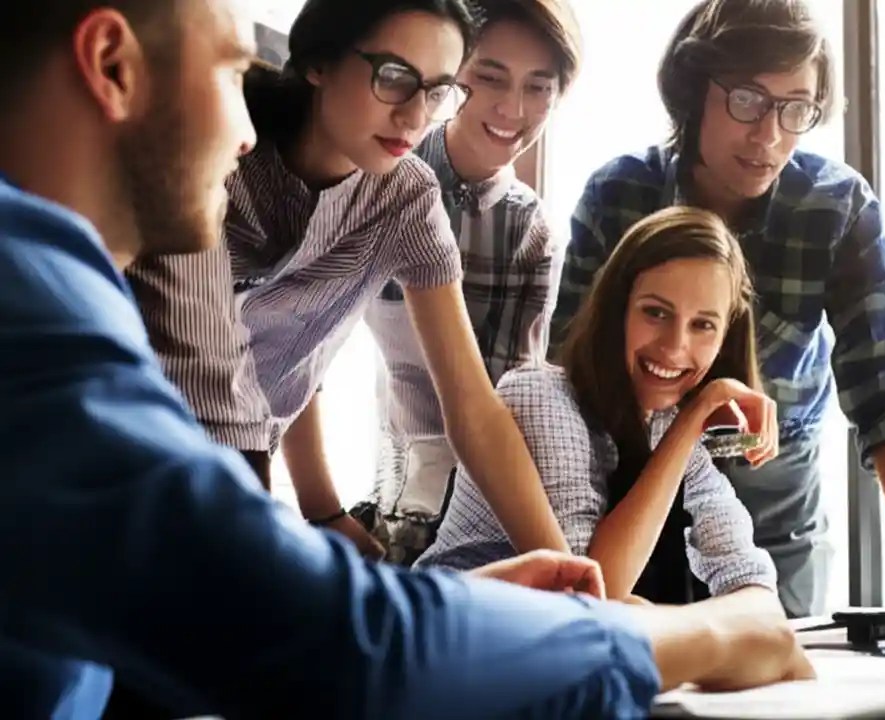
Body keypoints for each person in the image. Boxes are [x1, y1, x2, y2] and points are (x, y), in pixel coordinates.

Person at [0, 0, 815, 717]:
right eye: (229, 72)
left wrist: (439, 605)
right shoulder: (31, 304)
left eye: (440, 88)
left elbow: (458, 414)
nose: (245, 127)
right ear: (112, 67)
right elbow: (327, 644)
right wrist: (710, 633)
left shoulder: (409, 203)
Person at [552, 0, 885, 633]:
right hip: (629, 497)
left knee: (777, 672)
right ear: (696, 91)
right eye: (748, 100)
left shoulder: (834, 207)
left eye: (796, 108)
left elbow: (882, 399)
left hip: (772, 509)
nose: (769, 135)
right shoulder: (620, 194)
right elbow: (567, 370)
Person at [123, 0, 570, 560]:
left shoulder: (405, 197)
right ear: (319, 62)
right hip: (133, 456)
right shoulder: (219, 162)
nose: (414, 117)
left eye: (435, 92)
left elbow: (474, 409)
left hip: (236, 481)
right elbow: (219, 408)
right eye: (393, 78)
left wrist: (572, 576)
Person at [289, 0, 583, 565]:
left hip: (474, 489)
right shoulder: (375, 165)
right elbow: (294, 359)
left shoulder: (522, 226)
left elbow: (497, 403)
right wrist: (321, 507)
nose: (511, 108)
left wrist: (564, 568)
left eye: (538, 88)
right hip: (391, 476)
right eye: (488, 78)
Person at [421, 207, 785, 612]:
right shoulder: (539, 397)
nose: (674, 346)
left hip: (545, 658)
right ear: (618, 308)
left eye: (703, 325)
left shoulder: (671, 429)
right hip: (449, 639)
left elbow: (753, 588)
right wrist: (695, 418)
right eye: (656, 312)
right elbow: (590, 594)